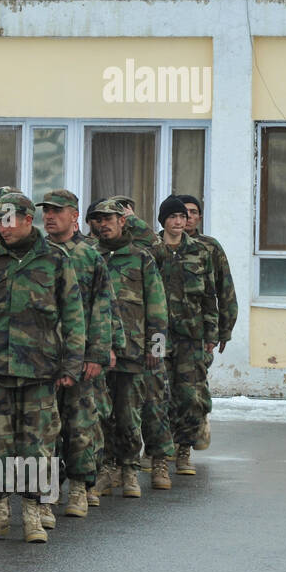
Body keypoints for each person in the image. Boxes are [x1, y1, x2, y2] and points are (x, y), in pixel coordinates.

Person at [0, 192, 85, 544]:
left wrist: (72, 364)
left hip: (40, 369)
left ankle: (32, 511)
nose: (3, 226)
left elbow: (73, 317)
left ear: (29, 220)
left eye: (10, 219)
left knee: (38, 444)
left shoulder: (56, 260)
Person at [37, 189, 116, 519]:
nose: (50, 217)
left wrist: (97, 353)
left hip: (79, 353)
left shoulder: (89, 255)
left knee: (81, 423)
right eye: (46, 212)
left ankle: (82, 488)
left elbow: (103, 307)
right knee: (44, 425)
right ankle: (49, 487)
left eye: (58, 211)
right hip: (42, 355)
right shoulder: (38, 252)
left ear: (74, 215)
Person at [87, 199, 168, 504]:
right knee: (99, 414)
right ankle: (106, 467)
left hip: (132, 350)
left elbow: (157, 306)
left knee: (127, 412)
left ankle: (130, 467)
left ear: (123, 221)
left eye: (108, 219)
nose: (102, 224)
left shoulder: (140, 258)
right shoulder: (89, 256)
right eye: (97, 219)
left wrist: (155, 347)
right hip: (96, 350)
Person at [152, 195, 218, 479]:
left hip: (191, 336)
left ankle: (183, 449)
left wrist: (211, 333)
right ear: (163, 220)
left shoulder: (200, 252)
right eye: (173, 217)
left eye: (182, 217)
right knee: (159, 395)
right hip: (158, 335)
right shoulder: (152, 250)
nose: (179, 222)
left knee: (190, 396)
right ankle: (160, 455)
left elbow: (209, 296)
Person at [177, 194, 236, 451]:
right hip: (166, 332)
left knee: (194, 384)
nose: (187, 217)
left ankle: (191, 435)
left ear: (199, 217)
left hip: (199, 331)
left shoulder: (209, 248)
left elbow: (224, 291)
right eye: (181, 212)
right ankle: (166, 444)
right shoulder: (158, 245)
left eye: (192, 212)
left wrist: (224, 330)